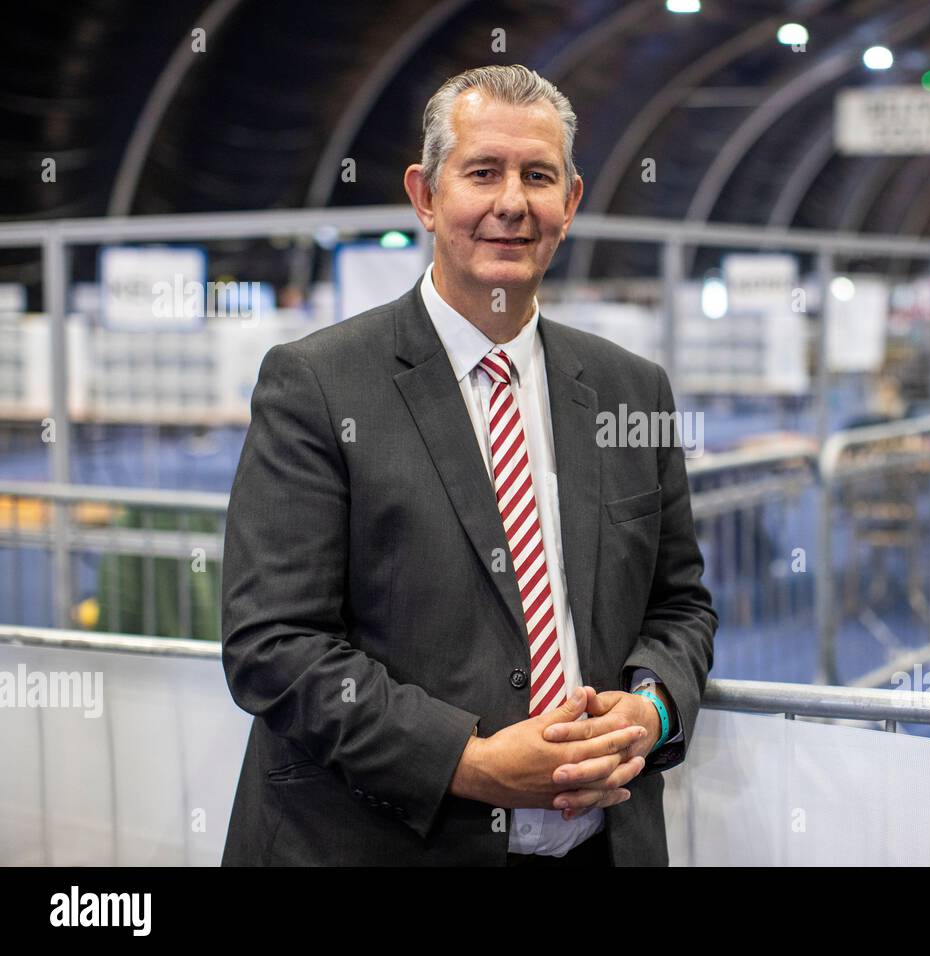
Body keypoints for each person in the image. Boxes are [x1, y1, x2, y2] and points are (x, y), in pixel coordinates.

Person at [219, 65, 717, 866]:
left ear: (572, 202)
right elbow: (274, 644)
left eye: (538, 176)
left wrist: (650, 709)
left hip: (600, 845)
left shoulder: (633, 389)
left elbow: (681, 605)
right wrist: (469, 763)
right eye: (483, 172)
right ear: (424, 195)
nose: (512, 203)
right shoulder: (316, 383)